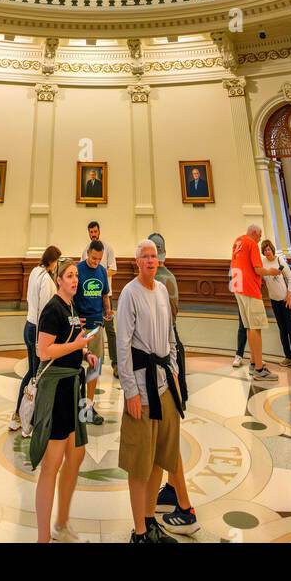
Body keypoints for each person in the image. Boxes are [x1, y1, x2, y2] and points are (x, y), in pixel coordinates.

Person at [117, 239, 183, 544]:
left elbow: (170, 333)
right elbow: (122, 345)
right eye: (144, 256)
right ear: (137, 262)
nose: (150, 260)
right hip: (141, 389)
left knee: (159, 456)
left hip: (164, 385)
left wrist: (174, 371)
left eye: (153, 256)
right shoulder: (129, 294)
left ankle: (149, 519)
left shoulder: (161, 291)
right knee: (139, 462)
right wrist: (130, 390)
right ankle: (139, 533)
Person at [30, 258, 95, 543]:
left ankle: (62, 523)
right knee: (52, 464)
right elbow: (44, 351)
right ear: (58, 279)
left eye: (76, 276)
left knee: (76, 454)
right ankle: (43, 536)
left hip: (74, 387)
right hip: (57, 390)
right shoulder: (52, 309)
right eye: (69, 275)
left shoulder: (71, 307)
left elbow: (73, 342)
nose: (74, 280)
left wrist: (84, 354)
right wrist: (77, 346)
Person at [148, 233, 199, 537]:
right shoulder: (168, 278)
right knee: (170, 434)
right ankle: (171, 488)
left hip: (166, 362)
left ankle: (185, 506)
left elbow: (163, 327)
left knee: (168, 436)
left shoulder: (160, 283)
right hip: (170, 358)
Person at [10, 244, 60, 430]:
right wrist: (43, 340)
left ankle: (19, 415)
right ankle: (25, 415)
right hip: (38, 330)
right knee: (35, 374)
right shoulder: (47, 280)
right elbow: (45, 311)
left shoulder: (34, 272)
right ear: (53, 262)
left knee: (32, 373)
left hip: (28, 326)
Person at [228, 225, 280, 381]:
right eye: (260, 236)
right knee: (256, 328)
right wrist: (271, 272)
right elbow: (257, 269)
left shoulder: (238, 241)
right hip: (250, 289)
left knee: (249, 326)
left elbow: (234, 265)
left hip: (238, 287)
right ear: (254, 233)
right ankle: (259, 369)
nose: (260, 239)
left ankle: (253, 362)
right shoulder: (251, 243)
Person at [75, 240, 111, 425]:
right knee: (74, 366)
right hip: (80, 327)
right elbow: (69, 297)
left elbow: (105, 294)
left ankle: (89, 405)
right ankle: (74, 405)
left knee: (94, 366)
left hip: (97, 325)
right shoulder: (77, 270)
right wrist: (74, 321)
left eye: (99, 259)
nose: (96, 262)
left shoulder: (102, 271)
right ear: (87, 252)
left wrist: (108, 311)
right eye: (93, 257)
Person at [81, 220, 118, 375]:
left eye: (95, 231)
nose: (93, 234)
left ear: (99, 231)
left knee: (109, 330)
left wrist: (99, 273)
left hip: (104, 295)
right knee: (83, 330)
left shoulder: (107, 248)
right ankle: (83, 359)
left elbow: (113, 269)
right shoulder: (85, 251)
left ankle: (116, 363)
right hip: (88, 299)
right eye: (91, 232)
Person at [261, 240, 291, 367]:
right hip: (274, 301)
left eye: (268, 249)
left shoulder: (279, 261)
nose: (267, 252)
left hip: (285, 300)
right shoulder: (263, 263)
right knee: (282, 330)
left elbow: (290, 278)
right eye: (265, 250)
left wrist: (289, 294)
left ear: (272, 249)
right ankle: (287, 357)